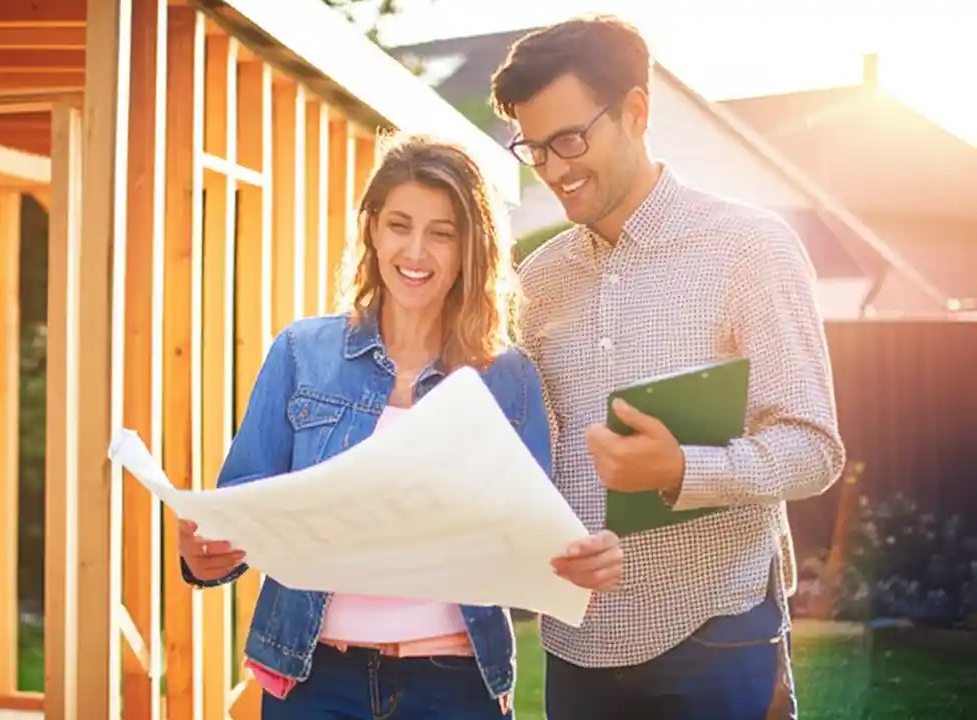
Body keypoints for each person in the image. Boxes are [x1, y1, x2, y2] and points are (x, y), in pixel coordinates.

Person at [177, 134, 623, 719]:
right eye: (399, 225)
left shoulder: (506, 376)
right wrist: (205, 553)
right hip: (314, 677)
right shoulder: (301, 352)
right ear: (372, 229)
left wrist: (584, 559)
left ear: (471, 248)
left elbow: (535, 537)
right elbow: (241, 505)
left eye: (442, 233)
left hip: (455, 683)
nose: (416, 252)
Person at [490, 15, 846, 720]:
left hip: (716, 637)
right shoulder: (537, 280)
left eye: (569, 140)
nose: (555, 169)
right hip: (577, 645)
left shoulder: (750, 249)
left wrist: (683, 470)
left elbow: (815, 448)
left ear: (635, 111)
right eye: (536, 149)